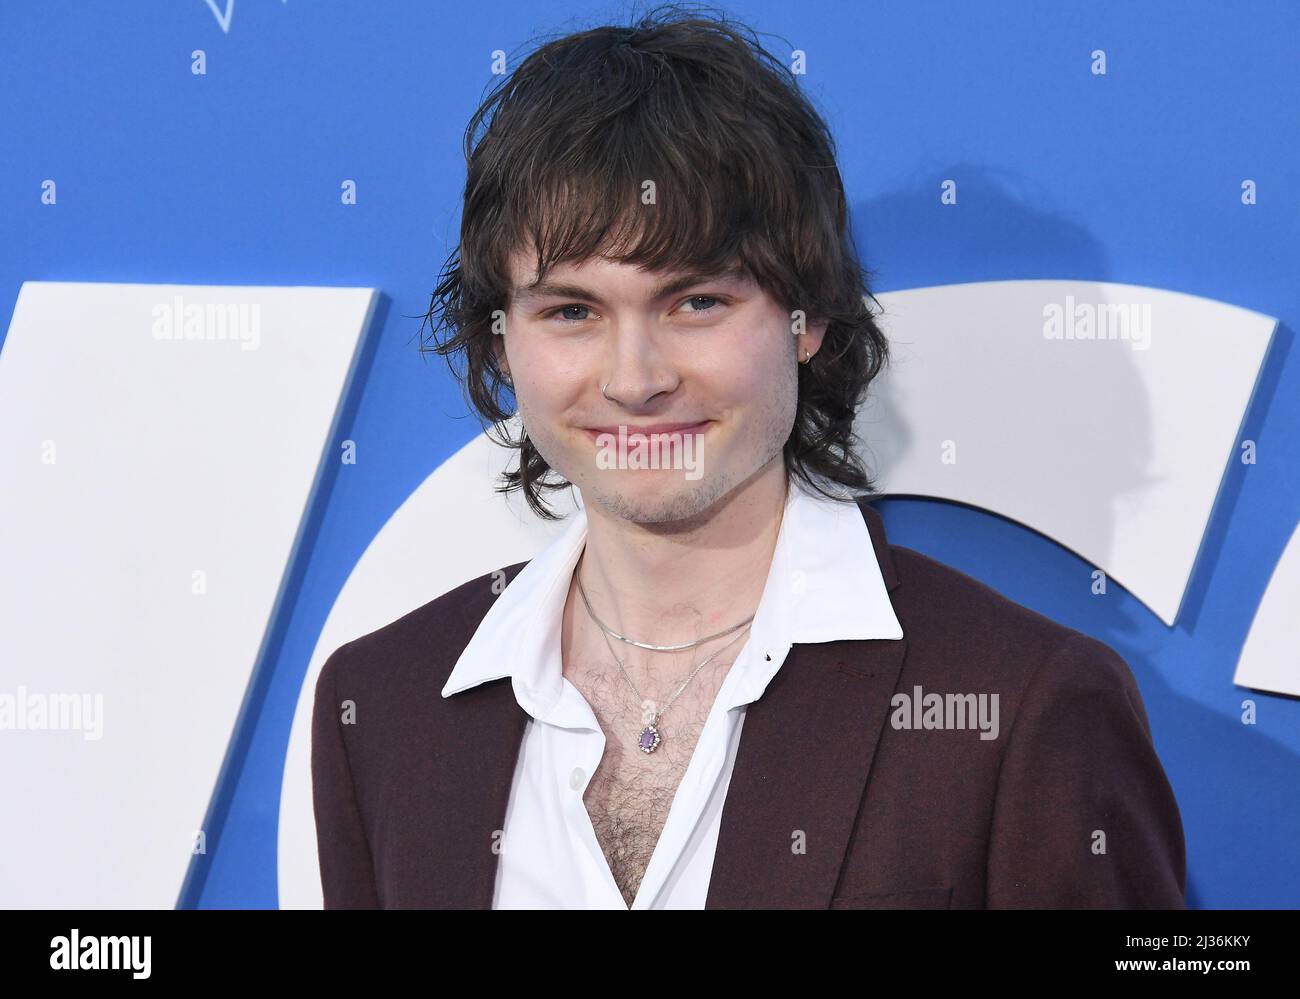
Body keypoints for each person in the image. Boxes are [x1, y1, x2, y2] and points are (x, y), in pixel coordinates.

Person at [310, 6, 1186, 909]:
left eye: (696, 303)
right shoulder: (381, 705)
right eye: (571, 311)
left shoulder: (1020, 706)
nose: (635, 378)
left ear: (808, 320)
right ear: (501, 343)